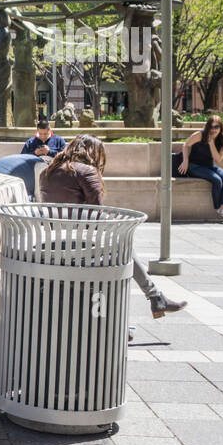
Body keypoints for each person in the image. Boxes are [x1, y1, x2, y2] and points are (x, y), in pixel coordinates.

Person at [41, 135, 188, 319]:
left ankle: (153, 300)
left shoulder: (48, 172)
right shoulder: (86, 171)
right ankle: (153, 298)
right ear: (93, 153)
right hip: (81, 246)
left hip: (53, 245)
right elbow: (96, 214)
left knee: (121, 246)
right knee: (123, 247)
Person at [179, 115, 223, 221]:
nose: (213, 130)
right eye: (211, 127)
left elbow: (217, 159)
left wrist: (211, 143)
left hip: (209, 166)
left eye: (216, 127)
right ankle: (219, 208)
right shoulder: (200, 135)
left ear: (221, 128)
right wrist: (185, 160)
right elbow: (186, 145)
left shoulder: (222, 141)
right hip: (194, 166)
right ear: (207, 127)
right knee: (217, 180)